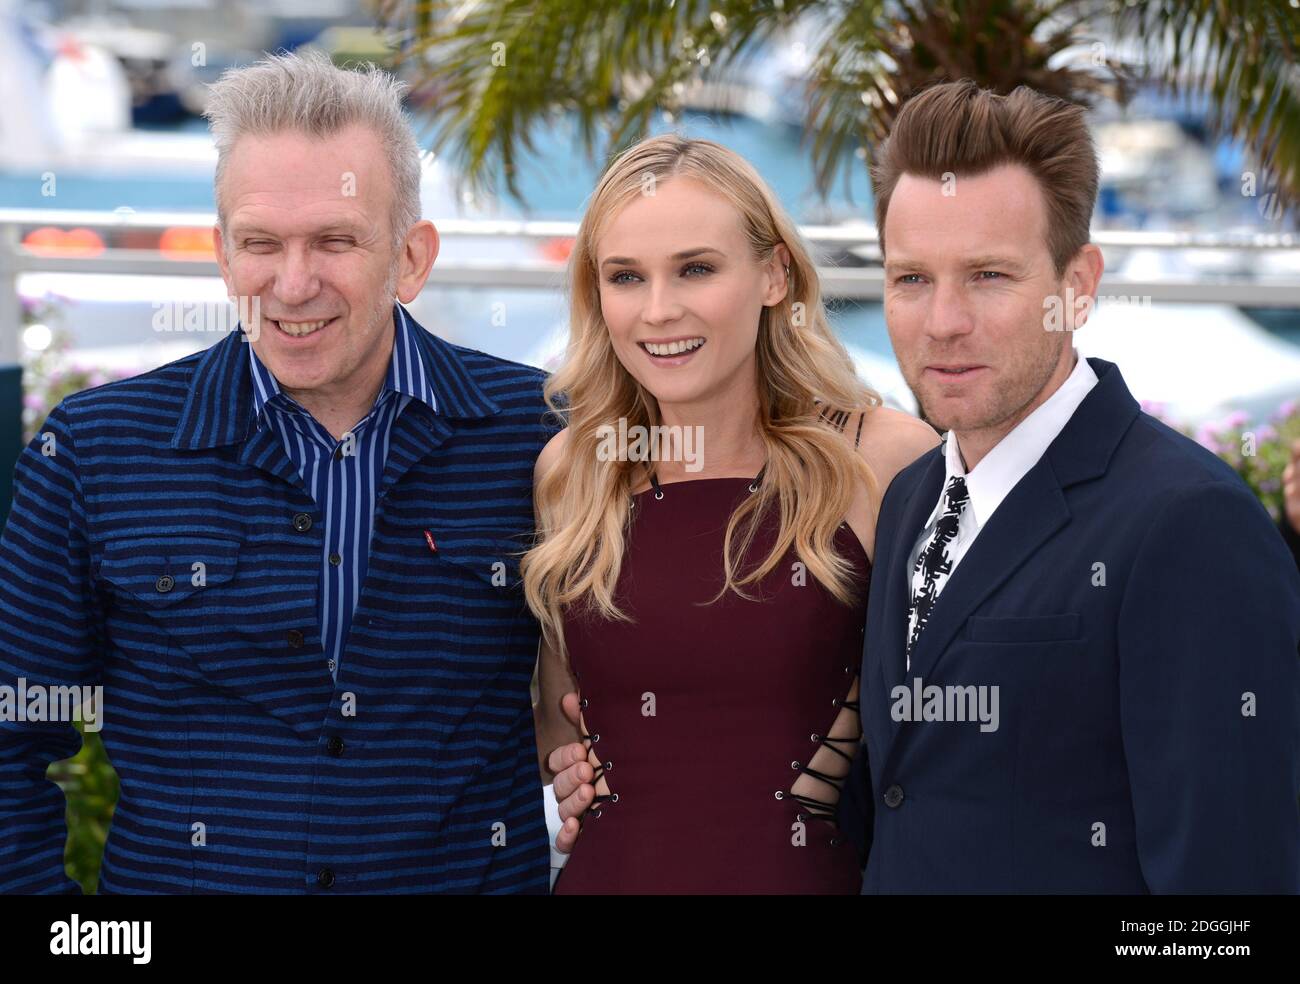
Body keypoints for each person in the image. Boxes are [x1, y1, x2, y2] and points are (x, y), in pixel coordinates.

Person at [0, 50, 554, 894]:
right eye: (261, 244)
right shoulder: (94, 450)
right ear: (223, 255)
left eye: (335, 241)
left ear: (411, 257)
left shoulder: (538, 434)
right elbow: (13, 736)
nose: (293, 285)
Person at [841, 80, 1300, 893]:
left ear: (1077, 287)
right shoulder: (912, 496)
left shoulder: (1190, 524)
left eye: (988, 276)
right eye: (911, 279)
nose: (942, 321)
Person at [529, 134, 938, 893]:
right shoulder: (574, 471)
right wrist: (571, 770)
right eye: (625, 276)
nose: (658, 310)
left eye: (696, 269)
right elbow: (560, 725)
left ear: (775, 274)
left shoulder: (884, 460)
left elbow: (955, 743)